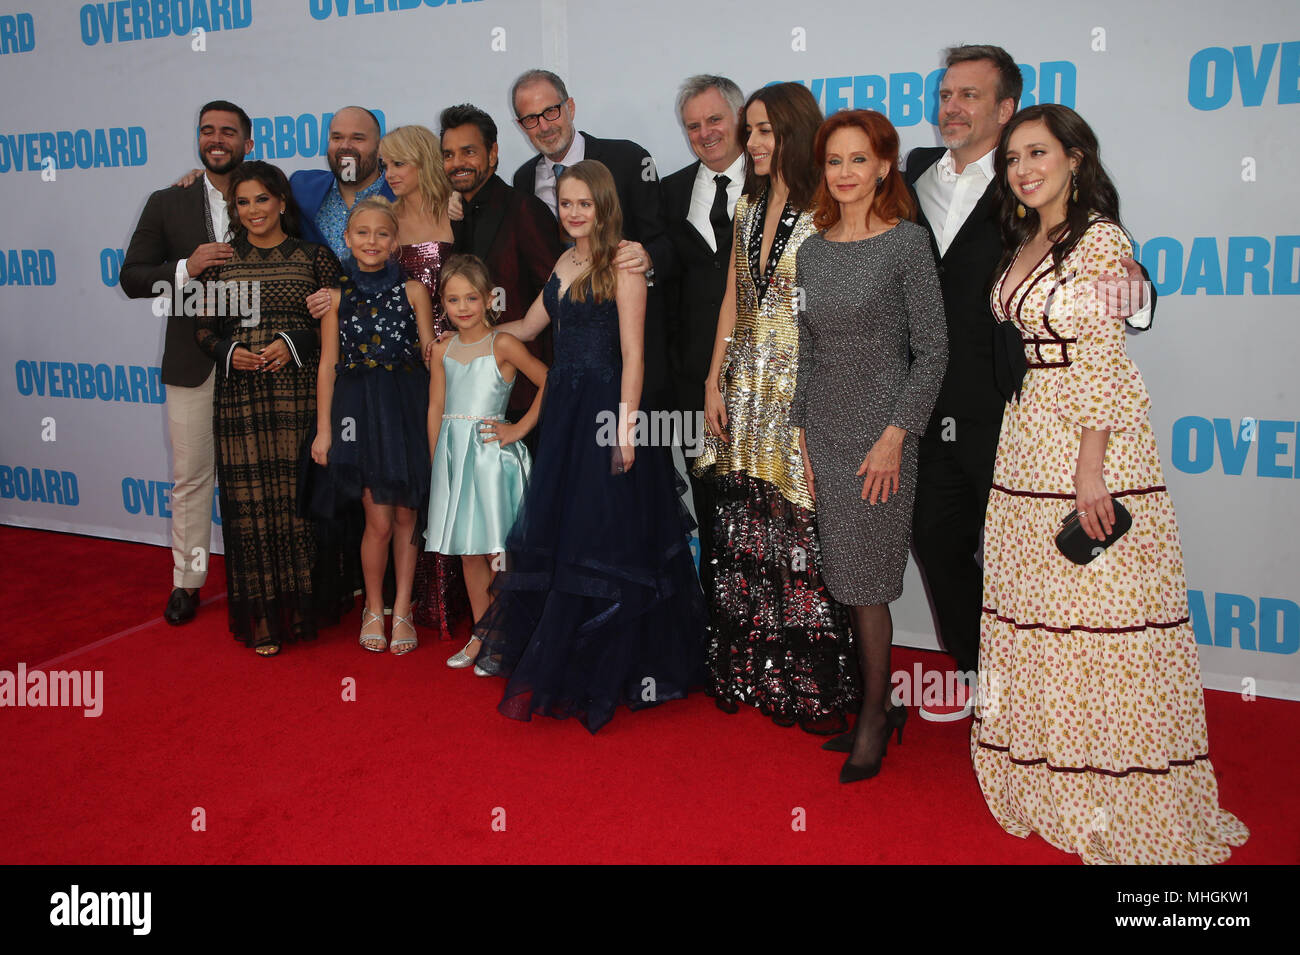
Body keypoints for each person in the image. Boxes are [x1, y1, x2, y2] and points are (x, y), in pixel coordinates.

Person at [973, 104, 1247, 863]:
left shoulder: (1100, 241)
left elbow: (1104, 358)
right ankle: (1050, 773)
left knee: (1100, 613)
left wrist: (1089, 469)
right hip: (1026, 438)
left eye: (1038, 153)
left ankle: (1116, 787)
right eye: (1013, 158)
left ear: (1075, 158)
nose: (1023, 169)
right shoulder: (1027, 238)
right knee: (1040, 612)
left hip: (1088, 442)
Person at [906, 46, 1151, 719]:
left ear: (1006, 109)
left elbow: (1115, 275)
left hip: (1016, 412)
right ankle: (985, 680)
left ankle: (1059, 703)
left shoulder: (1035, 187)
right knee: (937, 542)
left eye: (970, 96)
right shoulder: (914, 174)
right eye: (945, 94)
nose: (951, 107)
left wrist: (1135, 295)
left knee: (1039, 566)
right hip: (930, 407)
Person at [473, 160, 707, 733]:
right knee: (568, 529)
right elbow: (530, 327)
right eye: (567, 203)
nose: (574, 212)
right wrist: (478, 333)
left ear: (605, 205)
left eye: (585, 203)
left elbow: (634, 356)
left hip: (608, 413)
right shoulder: (563, 261)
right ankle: (572, 653)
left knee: (608, 533)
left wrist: (627, 428)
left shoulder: (622, 264)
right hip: (567, 415)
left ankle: (621, 666)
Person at [694, 82, 858, 734]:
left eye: (765, 130)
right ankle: (755, 672)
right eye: (751, 130)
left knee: (803, 533)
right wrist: (712, 379)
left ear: (794, 132)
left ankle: (815, 684)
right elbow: (733, 301)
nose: (754, 142)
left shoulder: (832, 210)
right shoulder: (748, 210)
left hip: (803, 392)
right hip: (747, 387)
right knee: (748, 528)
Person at [792, 110, 948, 781]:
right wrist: (797, 428)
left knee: (867, 583)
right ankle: (876, 703)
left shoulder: (907, 244)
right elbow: (804, 346)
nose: (846, 173)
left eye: (860, 159)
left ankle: (876, 718)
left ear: (885, 165)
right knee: (845, 574)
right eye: (835, 160)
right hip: (823, 427)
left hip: (883, 433)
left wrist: (896, 436)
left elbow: (933, 350)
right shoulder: (813, 248)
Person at [193, 161, 346, 655]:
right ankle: (262, 617)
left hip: (299, 395)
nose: (253, 210)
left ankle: (304, 610)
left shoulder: (314, 258)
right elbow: (202, 330)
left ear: (281, 201)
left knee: (296, 501)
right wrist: (227, 352)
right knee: (248, 507)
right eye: (243, 202)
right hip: (240, 398)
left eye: (262, 199)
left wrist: (292, 341)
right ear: (233, 211)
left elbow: (341, 323)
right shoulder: (220, 262)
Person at [119, 101, 252, 627]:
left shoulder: (266, 194)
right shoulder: (166, 202)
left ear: (248, 140)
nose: (216, 139)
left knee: (255, 476)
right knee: (192, 478)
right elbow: (132, 279)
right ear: (199, 139)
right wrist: (184, 267)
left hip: (255, 359)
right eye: (207, 131)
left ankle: (255, 580)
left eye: (228, 132)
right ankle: (188, 582)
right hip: (191, 361)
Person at [310, 198, 435, 655]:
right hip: (357, 416)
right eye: (361, 233)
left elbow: (429, 355)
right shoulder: (334, 297)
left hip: (406, 409)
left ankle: (402, 608)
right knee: (377, 519)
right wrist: (325, 431)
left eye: (382, 233)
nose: (371, 241)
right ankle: (373, 607)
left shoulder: (414, 291)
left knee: (407, 516)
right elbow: (327, 365)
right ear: (347, 238)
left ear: (395, 241)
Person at [509, 69, 673, 410]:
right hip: (563, 358)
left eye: (551, 111)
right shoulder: (523, 179)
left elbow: (666, 240)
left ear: (570, 106)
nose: (544, 125)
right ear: (520, 124)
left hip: (630, 356)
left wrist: (648, 257)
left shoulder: (628, 159)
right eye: (530, 119)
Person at [372, 124, 469, 644]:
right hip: (401, 369)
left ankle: (456, 598)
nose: (388, 175)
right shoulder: (381, 219)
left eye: (398, 165)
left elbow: (477, 282)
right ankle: (414, 600)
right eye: (385, 166)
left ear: (423, 163)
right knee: (416, 477)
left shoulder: (458, 208)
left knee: (454, 473)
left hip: (457, 361)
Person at [425, 255, 547, 670]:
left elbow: (550, 381)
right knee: (468, 552)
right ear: (442, 302)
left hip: (493, 463)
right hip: (454, 460)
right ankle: (483, 637)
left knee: (501, 552)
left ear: (489, 298)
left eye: (471, 298)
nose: (462, 308)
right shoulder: (442, 348)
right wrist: (436, 460)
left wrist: (520, 428)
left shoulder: (504, 344)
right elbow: (436, 406)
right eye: (453, 299)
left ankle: (512, 633)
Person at [661, 74, 746, 602]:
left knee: (768, 512)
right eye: (693, 125)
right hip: (694, 380)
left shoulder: (777, 184)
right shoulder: (668, 191)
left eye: (715, 120)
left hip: (769, 377)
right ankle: (718, 628)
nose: (705, 132)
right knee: (709, 503)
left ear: (738, 119)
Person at [440, 103, 563, 423]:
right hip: (470, 393)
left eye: (468, 152)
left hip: (523, 392)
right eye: (449, 155)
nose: (457, 163)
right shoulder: (454, 216)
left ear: (492, 153)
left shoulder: (524, 210)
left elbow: (555, 294)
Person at [290, 106, 395, 260]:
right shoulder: (301, 187)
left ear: (379, 148)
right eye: (337, 138)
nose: (345, 146)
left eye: (357, 138)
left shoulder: (402, 195)